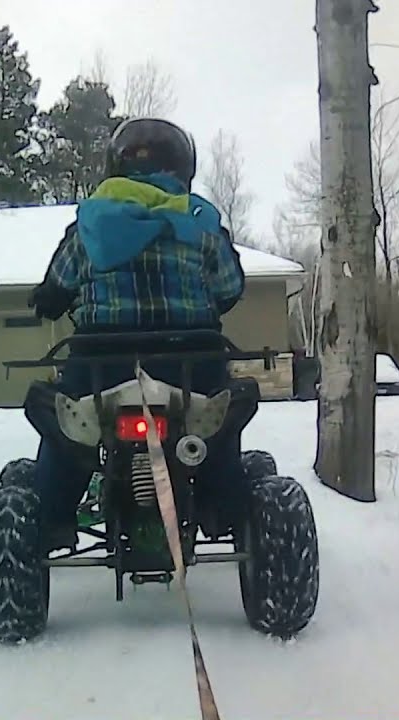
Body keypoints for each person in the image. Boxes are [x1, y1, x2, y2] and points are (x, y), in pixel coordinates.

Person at [26, 116, 249, 550]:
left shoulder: (88, 227)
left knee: (65, 431)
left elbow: (57, 286)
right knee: (221, 431)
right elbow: (230, 288)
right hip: (192, 365)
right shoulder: (202, 223)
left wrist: (52, 297)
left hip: (101, 366)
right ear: (183, 168)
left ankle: (49, 517)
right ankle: (224, 505)